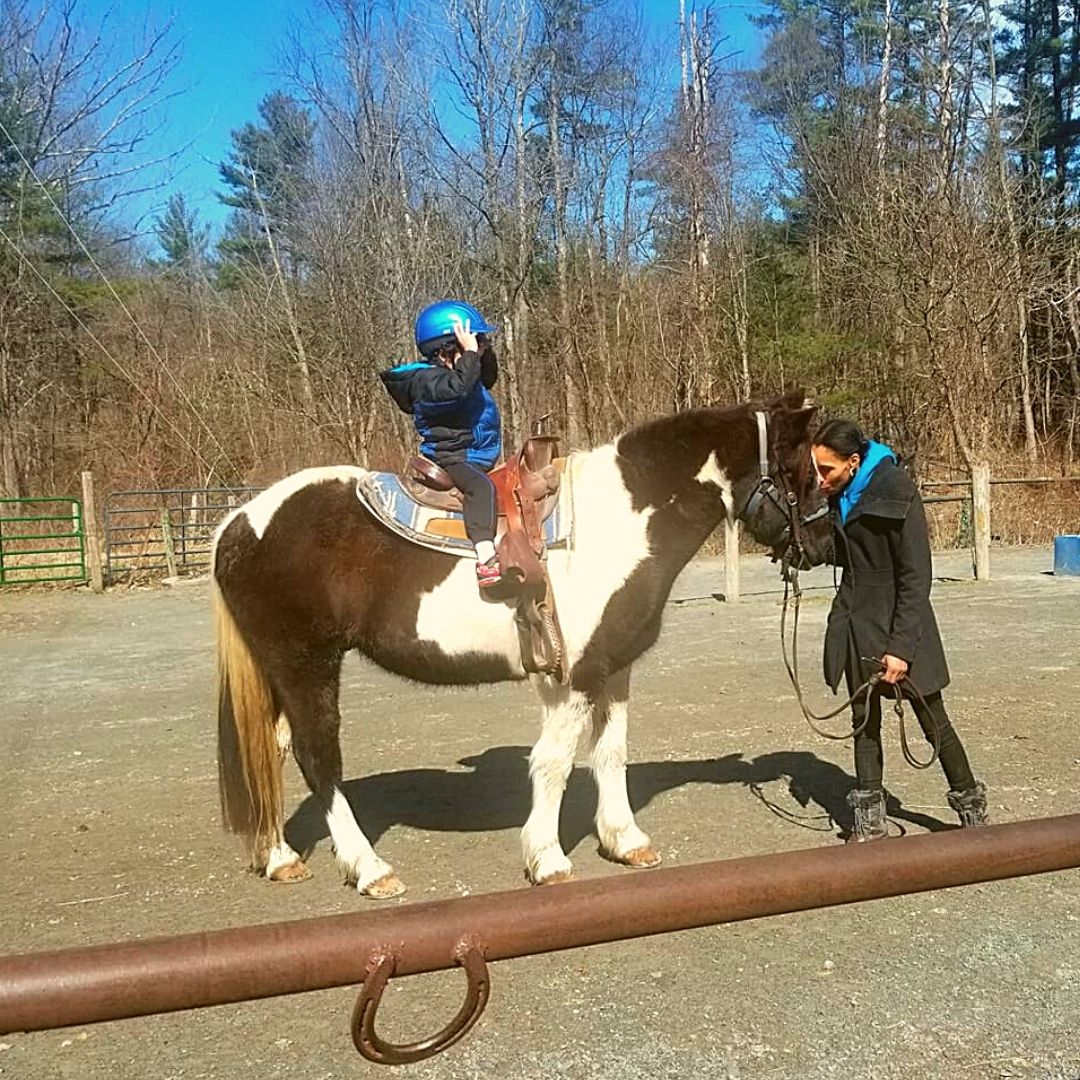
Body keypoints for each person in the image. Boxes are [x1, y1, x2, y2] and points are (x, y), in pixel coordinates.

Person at [810, 419, 989, 841]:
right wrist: (802, 552)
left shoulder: (897, 489)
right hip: (857, 621)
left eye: (826, 470)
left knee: (934, 723)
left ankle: (971, 808)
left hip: (901, 623)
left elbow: (916, 577)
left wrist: (902, 648)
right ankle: (870, 823)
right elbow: (848, 553)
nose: (819, 479)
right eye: (815, 469)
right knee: (863, 722)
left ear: (853, 462)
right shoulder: (843, 493)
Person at [380, 299, 503, 589]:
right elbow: (458, 390)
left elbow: (486, 376)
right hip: (454, 455)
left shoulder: (460, 371)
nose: (481, 346)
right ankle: (486, 557)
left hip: (475, 453)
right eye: (476, 341)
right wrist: (470, 352)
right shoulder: (426, 380)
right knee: (480, 488)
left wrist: (478, 352)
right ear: (447, 349)